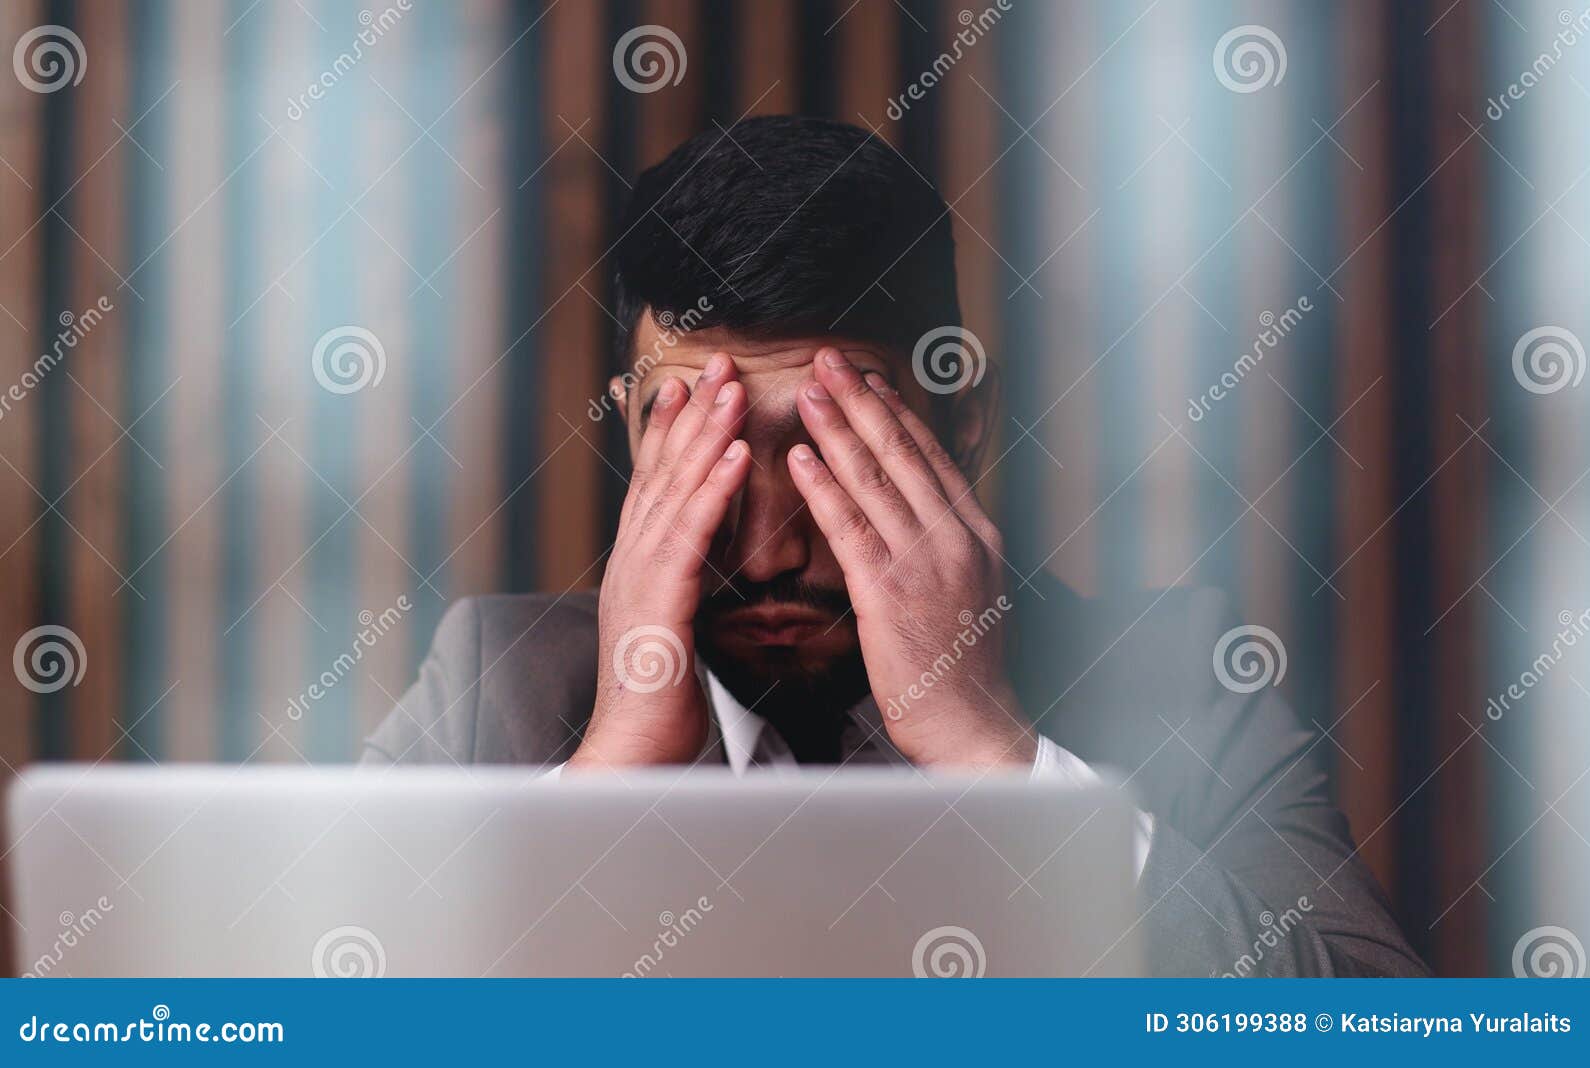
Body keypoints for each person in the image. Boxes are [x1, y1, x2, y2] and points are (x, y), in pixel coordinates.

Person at [363, 115, 1426, 977]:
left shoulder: (1169, 679)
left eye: (830, 450)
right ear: (636, 436)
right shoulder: (495, 682)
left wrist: (994, 757)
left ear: (959, 426)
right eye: (702, 446)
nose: (768, 554)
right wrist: (606, 788)